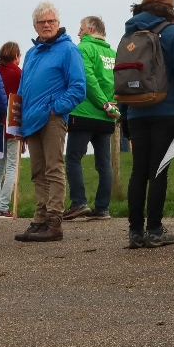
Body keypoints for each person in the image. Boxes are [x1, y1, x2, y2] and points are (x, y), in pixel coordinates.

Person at [121, 0, 174, 248]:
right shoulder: (173, 32)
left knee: (138, 171)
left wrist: (124, 114)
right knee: (158, 171)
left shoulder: (130, 33)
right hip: (165, 109)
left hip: (134, 110)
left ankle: (134, 231)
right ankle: (154, 229)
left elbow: (123, 75)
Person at [14, 3, 87, 242]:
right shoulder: (32, 54)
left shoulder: (68, 50)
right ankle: (40, 218)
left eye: (51, 21)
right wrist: (19, 123)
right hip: (31, 120)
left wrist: (56, 109)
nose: (46, 25)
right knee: (37, 172)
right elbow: (23, 89)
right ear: (35, 26)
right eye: (42, 22)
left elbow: (78, 88)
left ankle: (54, 220)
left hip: (52, 118)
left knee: (53, 168)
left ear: (58, 23)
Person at [65, 16, 120, 222]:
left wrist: (102, 103)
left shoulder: (83, 49)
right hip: (107, 117)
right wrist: (112, 106)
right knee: (104, 163)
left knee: (73, 159)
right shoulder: (113, 54)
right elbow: (117, 81)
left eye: (80, 29)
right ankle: (102, 207)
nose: (78, 33)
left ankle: (79, 201)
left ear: (90, 29)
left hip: (85, 112)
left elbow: (87, 79)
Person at [0, 42, 23, 218]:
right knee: (12, 166)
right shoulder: (19, 74)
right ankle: (3, 206)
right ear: (16, 56)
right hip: (13, 121)